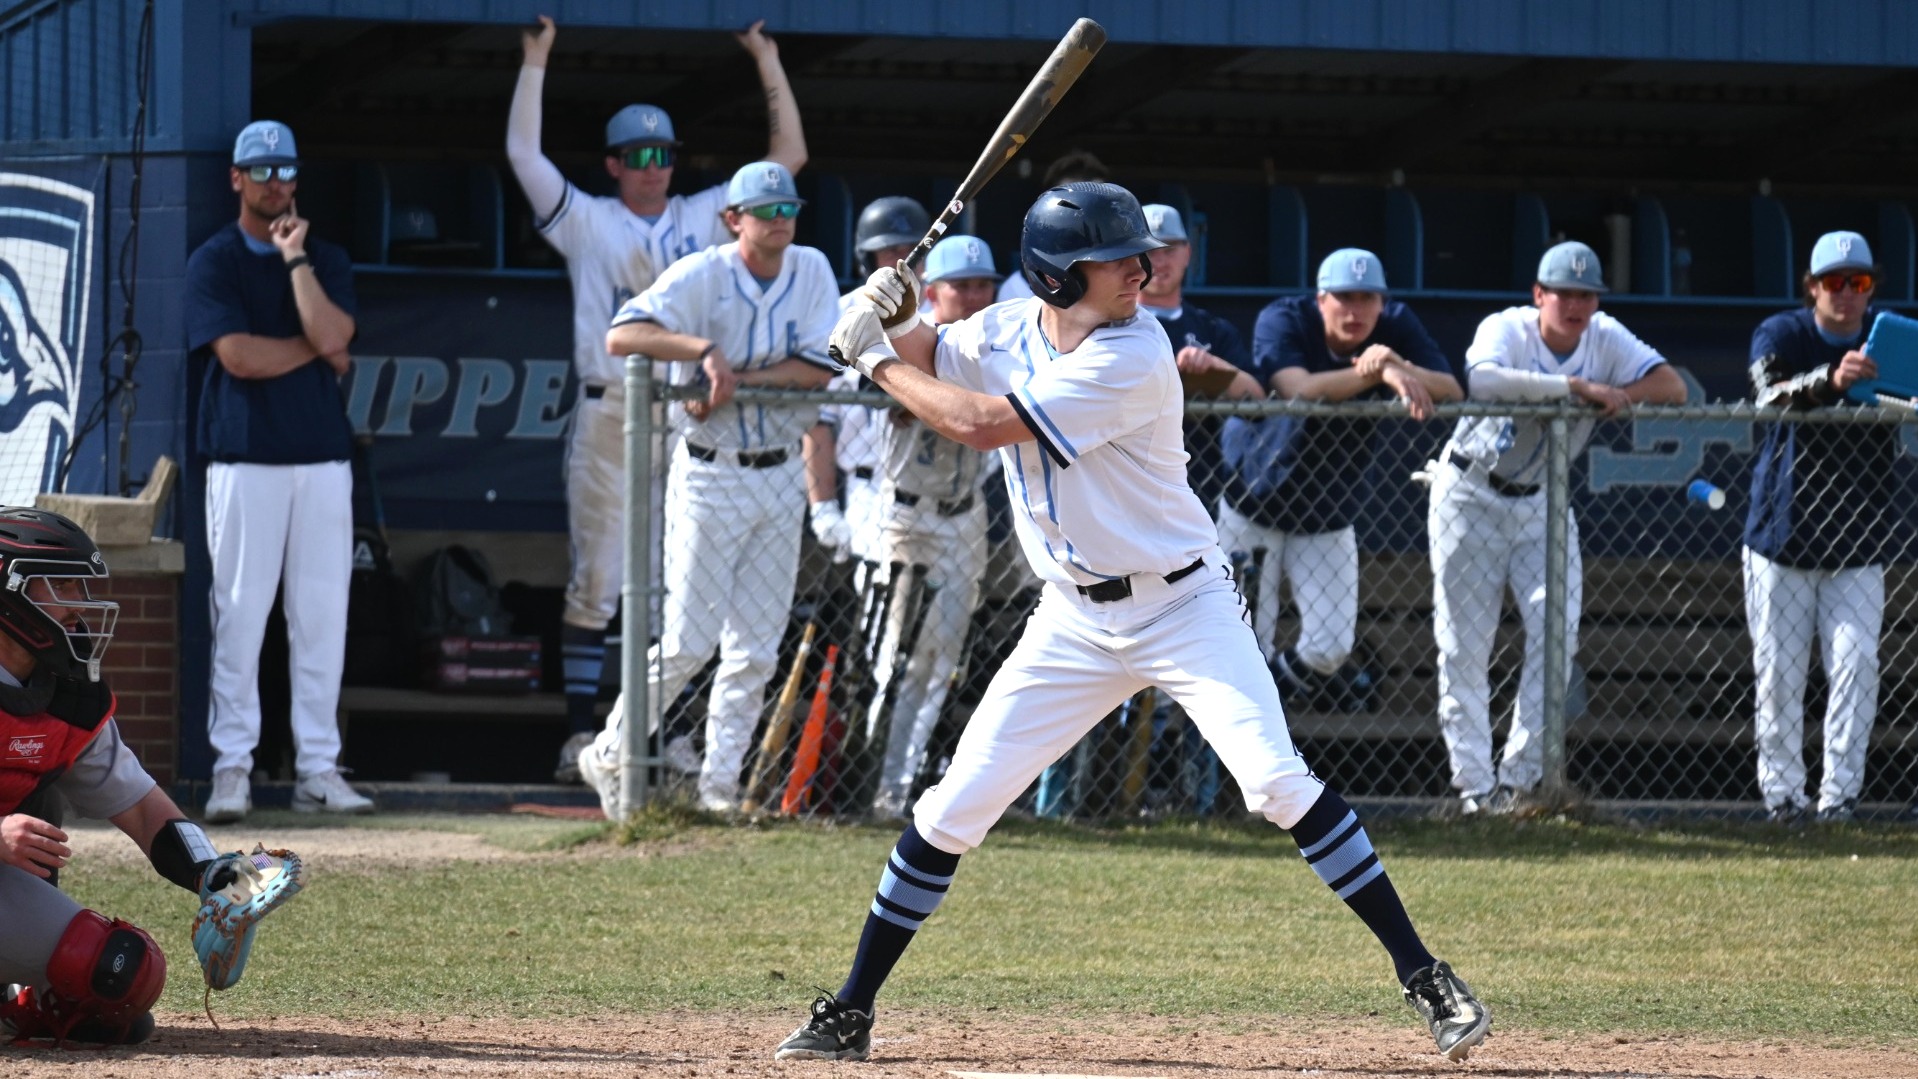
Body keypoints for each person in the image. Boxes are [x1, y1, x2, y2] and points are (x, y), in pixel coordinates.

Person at [774, 182, 1490, 1063]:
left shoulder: (1133, 352)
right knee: (954, 805)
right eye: (1113, 260)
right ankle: (850, 1011)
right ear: (1053, 277)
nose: (1139, 270)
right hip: (1072, 618)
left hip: (1182, 603)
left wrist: (877, 358)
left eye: (1137, 255)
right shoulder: (1004, 326)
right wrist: (890, 304)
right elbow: (931, 347)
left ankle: (1427, 978)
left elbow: (982, 423)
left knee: (1274, 783)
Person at [507, 15, 808, 782]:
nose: (653, 168)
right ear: (613, 163)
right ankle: (583, 735)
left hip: (688, 410)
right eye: (639, 156)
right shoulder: (591, 221)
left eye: (664, 155)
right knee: (601, 577)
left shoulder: (706, 215)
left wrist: (767, 59)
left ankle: (664, 733)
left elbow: (788, 160)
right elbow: (522, 154)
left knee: (682, 581)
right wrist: (538, 58)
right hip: (612, 408)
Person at [578, 161, 838, 814]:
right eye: (766, 211)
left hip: (780, 470)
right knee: (690, 641)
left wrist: (737, 379)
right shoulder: (704, 274)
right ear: (733, 219)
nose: (780, 220)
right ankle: (611, 751)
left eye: (788, 209)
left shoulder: (812, 269)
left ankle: (718, 790)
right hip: (711, 469)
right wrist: (698, 350)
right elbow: (621, 334)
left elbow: (820, 367)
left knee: (755, 647)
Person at [0, 508, 284, 1045]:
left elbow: (143, 808)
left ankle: (17, 1004)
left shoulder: (66, 694)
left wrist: (217, 876)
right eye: (61, 585)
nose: (78, 606)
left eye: (80, 587)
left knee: (120, 975)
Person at [1430, 241, 1685, 814]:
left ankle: (1519, 783)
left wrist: (1618, 393)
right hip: (1471, 493)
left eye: (1586, 294)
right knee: (1465, 644)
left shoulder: (1604, 335)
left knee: (1557, 633)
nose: (1575, 304)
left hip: (1544, 500)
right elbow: (1484, 382)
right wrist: (1573, 390)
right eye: (1563, 293)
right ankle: (1474, 788)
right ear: (1539, 295)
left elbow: (1672, 386)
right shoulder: (1510, 327)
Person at [187, 120, 372, 822]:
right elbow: (238, 357)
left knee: (322, 617)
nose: (275, 183)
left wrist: (297, 264)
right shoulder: (214, 260)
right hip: (243, 457)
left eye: (285, 171)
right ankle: (232, 768)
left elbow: (336, 336)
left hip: (321, 458)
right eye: (261, 171)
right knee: (239, 615)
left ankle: (317, 769)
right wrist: (318, 348)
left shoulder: (323, 255)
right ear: (236, 178)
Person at [1223, 249, 1459, 702]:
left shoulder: (1395, 327)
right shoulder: (1284, 317)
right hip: (1253, 501)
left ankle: (1262, 701)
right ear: (1321, 299)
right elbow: (1300, 389)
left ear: (1382, 303)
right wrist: (1377, 374)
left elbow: (1450, 389)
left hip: (1327, 509)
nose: (1355, 312)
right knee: (1243, 643)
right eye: (1344, 298)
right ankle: (1217, 752)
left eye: (1367, 299)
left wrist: (1396, 365)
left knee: (1330, 648)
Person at [1744, 231, 1901, 825]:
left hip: (1859, 536)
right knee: (1781, 674)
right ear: (1812, 287)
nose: (1846, 294)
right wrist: (1832, 381)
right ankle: (1784, 797)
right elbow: (1768, 396)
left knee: (1857, 666)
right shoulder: (1782, 333)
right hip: (1782, 535)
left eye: (1858, 283)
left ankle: (1840, 799)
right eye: (1834, 282)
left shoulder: (1890, 335)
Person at [863, 235, 999, 819]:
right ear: (932, 292)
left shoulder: (998, 343)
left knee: (940, 661)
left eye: (980, 285)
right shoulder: (905, 340)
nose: (971, 296)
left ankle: (899, 785)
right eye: (958, 286)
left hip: (963, 516)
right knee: (889, 659)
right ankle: (860, 781)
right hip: (904, 516)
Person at [805, 198, 933, 573]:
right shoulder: (841, 316)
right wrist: (823, 504)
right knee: (879, 618)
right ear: (868, 259)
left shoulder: (940, 316)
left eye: (911, 251)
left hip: (936, 491)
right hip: (869, 491)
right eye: (890, 251)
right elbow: (819, 420)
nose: (902, 262)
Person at [1138, 204, 1263, 509]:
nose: (1161, 260)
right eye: (1150, 249)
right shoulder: (1107, 326)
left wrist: (1213, 366)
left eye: (1170, 248)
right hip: (1124, 479)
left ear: (1187, 254)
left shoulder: (1211, 329)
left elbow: (1258, 400)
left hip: (1194, 486)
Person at [995, 150, 1110, 304]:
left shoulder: (1129, 275)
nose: (1084, 212)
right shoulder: (1017, 287)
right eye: (1072, 201)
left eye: (1095, 201)